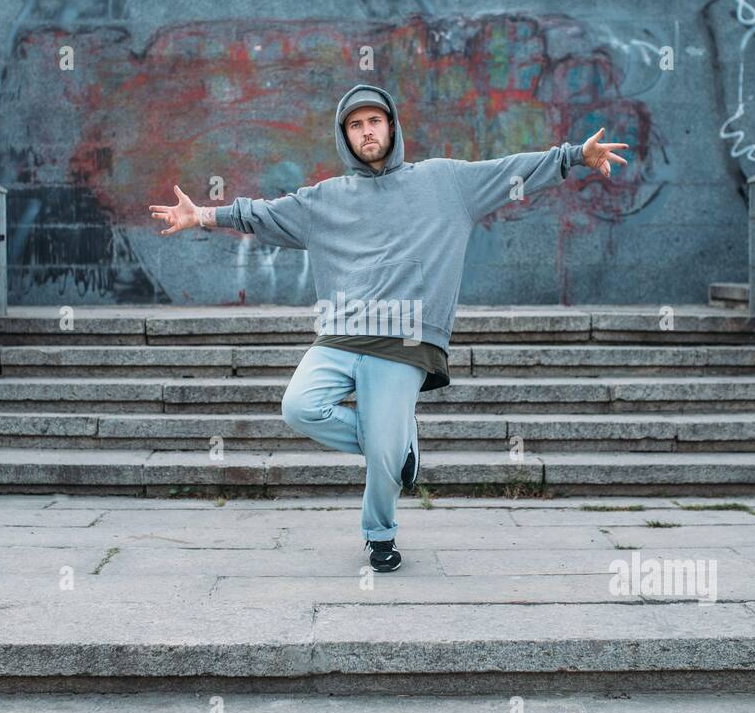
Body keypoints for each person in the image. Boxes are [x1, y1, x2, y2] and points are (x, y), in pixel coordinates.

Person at [148, 84, 627, 572]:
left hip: (405, 342)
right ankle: (398, 446)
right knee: (299, 407)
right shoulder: (325, 199)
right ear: (346, 137)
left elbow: (508, 171)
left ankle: (380, 534)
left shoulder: (445, 183)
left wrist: (574, 157)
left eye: (373, 121)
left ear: (391, 126)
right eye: (355, 125)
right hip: (339, 334)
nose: (366, 131)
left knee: (381, 454)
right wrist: (202, 214)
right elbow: (264, 214)